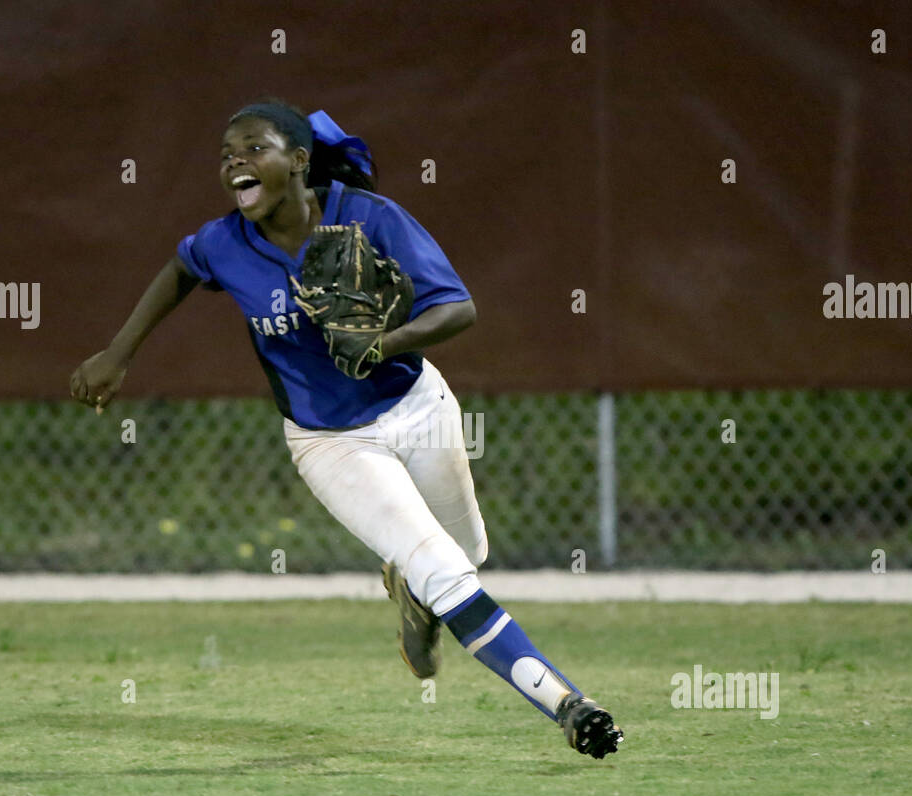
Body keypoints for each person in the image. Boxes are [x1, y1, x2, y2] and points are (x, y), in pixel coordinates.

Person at [70, 99, 623, 758]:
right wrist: (119, 351)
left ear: (299, 161)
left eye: (254, 148)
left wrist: (384, 343)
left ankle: (416, 597)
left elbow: (458, 308)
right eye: (227, 154)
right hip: (329, 439)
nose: (235, 162)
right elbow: (183, 268)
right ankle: (568, 704)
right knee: (447, 571)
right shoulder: (226, 243)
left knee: (466, 553)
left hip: (417, 405)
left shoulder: (367, 218)